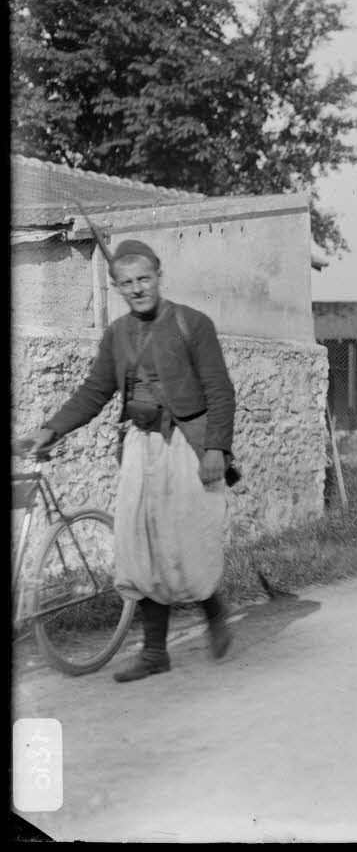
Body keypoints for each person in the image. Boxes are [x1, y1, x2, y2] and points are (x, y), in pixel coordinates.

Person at [17, 240, 236, 682]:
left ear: (159, 275)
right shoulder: (117, 334)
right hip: (139, 446)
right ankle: (155, 653)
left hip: (186, 446)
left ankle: (213, 607)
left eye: (144, 279)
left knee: (186, 544)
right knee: (141, 547)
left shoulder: (193, 324)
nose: (138, 289)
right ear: (116, 287)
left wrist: (216, 448)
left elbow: (219, 391)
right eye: (127, 283)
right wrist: (51, 428)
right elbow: (94, 392)